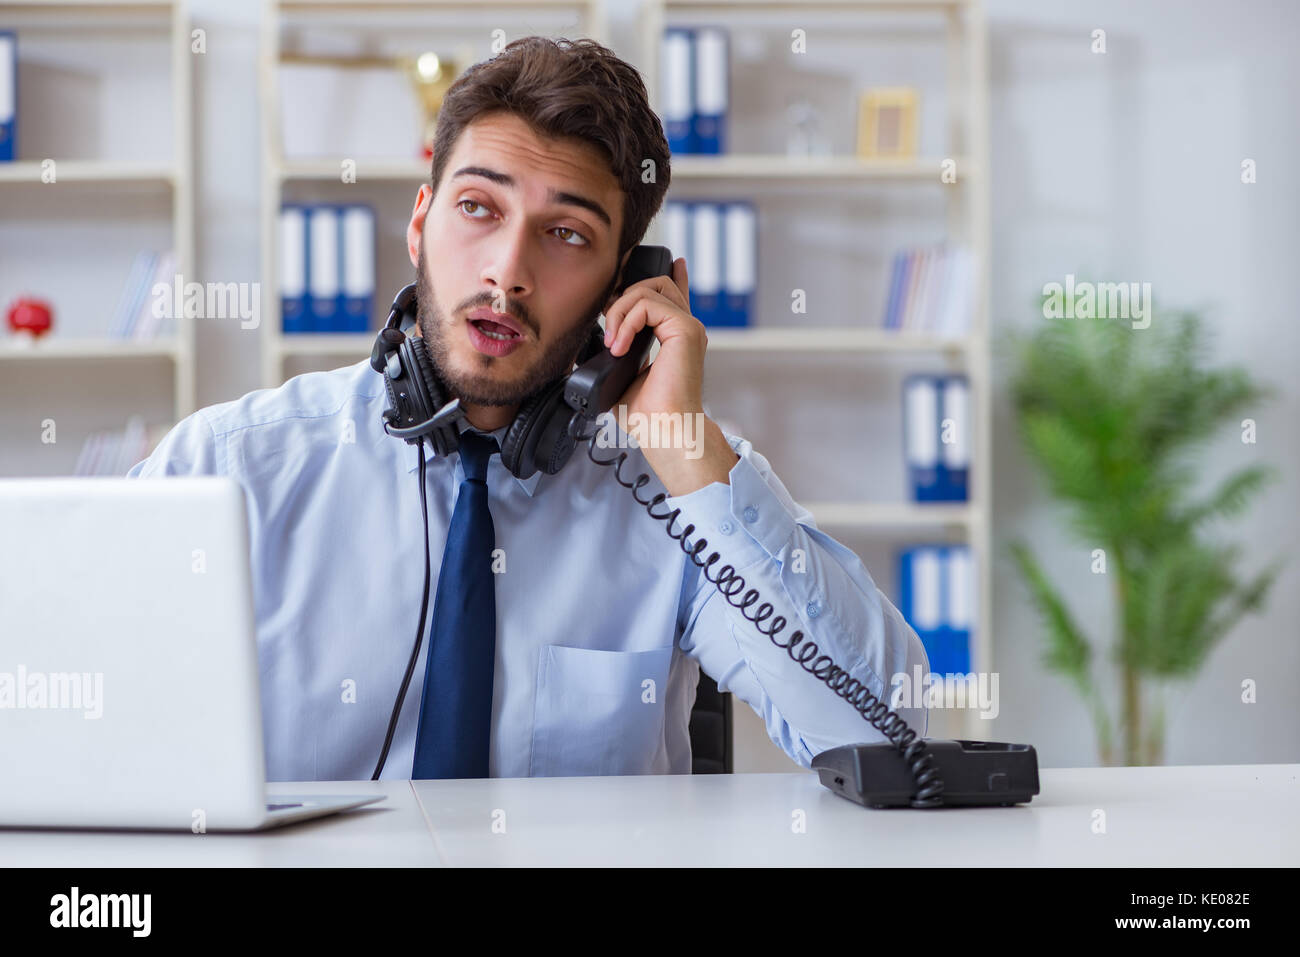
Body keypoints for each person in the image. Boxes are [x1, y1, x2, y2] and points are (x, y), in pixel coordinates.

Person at [127, 36, 929, 781]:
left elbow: (891, 738)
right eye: (478, 207)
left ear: (629, 287)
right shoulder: (231, 469)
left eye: (568, 234)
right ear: (420, 221)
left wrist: (682, 444)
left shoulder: (680, 493)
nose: (507, 270)